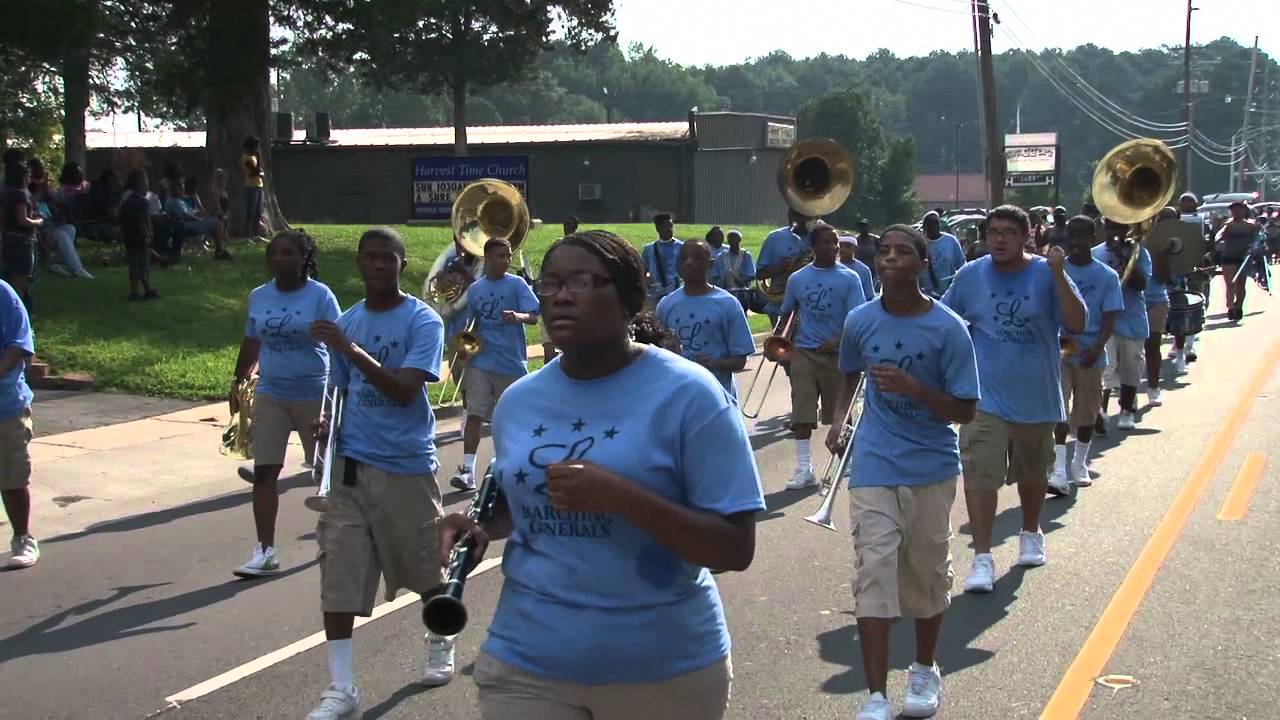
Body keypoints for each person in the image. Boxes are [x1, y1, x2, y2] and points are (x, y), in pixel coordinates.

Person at [440, 228, 765, 719]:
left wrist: (622, 497)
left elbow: (734, 548)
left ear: (630, 299)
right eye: (551, 284)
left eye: (583, 282)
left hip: (661, 670)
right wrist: (478, 524)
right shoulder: (519, 402)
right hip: (526, 661)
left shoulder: (690, 394)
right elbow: (522, 501)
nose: (562, 296)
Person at [827, 225, 979, 720]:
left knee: (926, 573)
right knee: (874, 569)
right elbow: (850, 371)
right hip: (874, 462)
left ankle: (924, 667)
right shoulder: (860, 319)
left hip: (931, 465)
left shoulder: (948, 327)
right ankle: (874, 696)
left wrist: (915, 388)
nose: (889, 257)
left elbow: (964, 410)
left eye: (902, 252)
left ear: (922, 264)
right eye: (885, 251)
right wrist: (837, 421)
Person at [304, 227, 454, 720]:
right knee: (339, 575)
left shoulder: (422, 321)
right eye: (369, 258)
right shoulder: (348, 321)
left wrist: (348, 350)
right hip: (350, 468)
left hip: (404, 463)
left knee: (426, 568)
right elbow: (340, 393)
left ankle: (439, 638)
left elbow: (405, 391)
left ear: (401, 265)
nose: (377, 266)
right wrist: (327, 423)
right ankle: (341, 688)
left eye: (387, 258)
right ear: (359, 263)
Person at [941, 205, 1085, 592]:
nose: (999, 239)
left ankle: (1031, 531)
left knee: (1033, 473)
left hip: (1036, 395)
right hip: (984, 398)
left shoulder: (1045, 272)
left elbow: (1077, 322)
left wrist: (1058, 274)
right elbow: (944, 321)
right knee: (979, 474)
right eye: (993, 232)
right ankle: (982, 558)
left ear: (1026, 237)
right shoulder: (971, 275)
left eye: (1007, 232)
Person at [231, 230, 341, 578]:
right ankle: (265, 551)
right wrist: (237, 382)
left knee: (326, 473)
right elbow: (252, 341)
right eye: (274, 253)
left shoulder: (320, 296)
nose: (280, 259)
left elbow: (339, 344)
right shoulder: (259, 296)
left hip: (313, 392)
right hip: (271, 393)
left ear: (303, 258)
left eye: (288, 253)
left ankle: (339, 538)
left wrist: (338, 396)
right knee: (264, 471)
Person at [448, 238, 540, 492]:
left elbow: (534, 316)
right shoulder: (476, 289)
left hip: (510, 362)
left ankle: (514, 469)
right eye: (500, 256)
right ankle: (468, 471)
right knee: (475, 414)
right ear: (487, 258)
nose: (506, 261)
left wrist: (517, 316)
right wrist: (464, 348)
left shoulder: (517, 284)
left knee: (512, 419)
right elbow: (470, 325)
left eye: (508, 256)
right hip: (481, 362)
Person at [778, 225, 866, 489]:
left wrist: (837, 340)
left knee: (838, 412)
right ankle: (804, 468)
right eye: (827, 243)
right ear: (813, 247)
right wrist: (780, 344)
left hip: (838, 355)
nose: (834, 248)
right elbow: (787, 313)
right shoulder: (797, 279)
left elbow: (858, 319)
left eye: (836, 243)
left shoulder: (850, 278)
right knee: (801, 410)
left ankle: (846, 461)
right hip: (804, 352)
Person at [1050, 216, 1123, 495]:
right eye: (1072, 236)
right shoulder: (1057, 271)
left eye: (1083, 236)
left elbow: (1110, 316)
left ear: (1094, 238)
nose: (1077, 243)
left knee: (1086, 411)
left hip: (1092, 350)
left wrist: (1096, 347)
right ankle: (1058, 469)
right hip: (1062, 346)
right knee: (1059, 408)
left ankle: (1079, 463)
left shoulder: (1106, 276)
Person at [656, 240, 756, 399]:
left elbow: (739, 360)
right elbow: (657, 357)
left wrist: (715, 364)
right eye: (683, 258)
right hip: (678, 397)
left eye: (697, 258)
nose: (689, 263)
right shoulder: (666, 305)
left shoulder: (727, 303)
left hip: (718, 397)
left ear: (710, 264)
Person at [1092, 221, 1150, 432]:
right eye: (1111, 227)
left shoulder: (1140, 253)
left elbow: (1141, 284)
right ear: (1104, 228)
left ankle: (1127, 410)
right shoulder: (1095, 253)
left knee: (1130, 367)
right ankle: (1099, 413)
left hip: (1131, 318)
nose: (1115, 233)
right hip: (1103, 320)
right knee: (1104, 369)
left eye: (1120, 228)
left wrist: (1124, 257)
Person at [0, 278, 36, 569]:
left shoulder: (3, 293)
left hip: (5, 405)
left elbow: (20, 346)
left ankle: (23, 538)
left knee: (12, 476)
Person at [757, 208, 814, 326]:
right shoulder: (775, 237)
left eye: (804, 214)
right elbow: (759, 274)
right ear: (789, 216)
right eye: (795, 215)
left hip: (812, 305)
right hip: (780, 304)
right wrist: (780, 269)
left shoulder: (818, 237)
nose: (800, 219)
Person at [1143, 208, 1175, 407]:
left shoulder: (1159, 242)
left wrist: (1161, 255)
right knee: (1127, 352)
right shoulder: (1122, 241)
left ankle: (1153, 388)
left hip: (1156, 299)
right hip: (1129, 302)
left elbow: (1164, 277)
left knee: (1153, 345)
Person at [2, 161, 41, 315]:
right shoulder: (20, 194)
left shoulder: (6, 193)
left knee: (10, 279)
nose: (30, 179)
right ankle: (17, 316)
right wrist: (38, 221)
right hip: (22, 242)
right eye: (28, 176)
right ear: (23, 176)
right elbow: (22, 220)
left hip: (8, 239)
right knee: (21, 282)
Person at [165, 175, 233, 261]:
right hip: (188, 225)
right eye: (181, 188)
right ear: (175, 189)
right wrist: (199, 219)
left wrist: (202, 214)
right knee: (216, 223)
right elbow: (185, 216)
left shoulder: (178, 200)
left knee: (216, 218)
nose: (183, 190)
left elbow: (190, 212)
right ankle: (219, 251)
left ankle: (220, 250)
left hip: (191, 222)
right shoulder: (173, 202)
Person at [119, 170, 157, 301]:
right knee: (143, 265)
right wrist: (147, 235)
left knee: (133, 265)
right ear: (139, 184)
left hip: (129, 238)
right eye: (145, 181)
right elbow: (142, 221)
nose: (147, 184)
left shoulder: (126, 201)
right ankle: (146, 289)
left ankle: (134, 291)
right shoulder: (142, 202)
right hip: (140, 238)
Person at [1215, 201, 1256, 322]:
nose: (1237, 212)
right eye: (1234, 210)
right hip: (1229, 257)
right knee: (1230, 284)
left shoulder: (1251, 226)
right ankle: (1231, 307)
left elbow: (1257, 241)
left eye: (1239, 209)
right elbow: (1218, 237)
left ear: (1244, 211)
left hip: (1243, 259)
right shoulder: (1227, 225)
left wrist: (1254, 249)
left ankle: (1238, 307)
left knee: (1240, 285)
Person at [640, 213, 682, 309]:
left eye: (671, 226)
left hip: (676, 291)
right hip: (655, 293)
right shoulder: (649, 249)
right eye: (666, 226)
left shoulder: (681, 247)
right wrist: (646, 279)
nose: (669, 229)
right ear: (658, 229)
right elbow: (643, 269)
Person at [920, 211, 966, 299]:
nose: (933, 226)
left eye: (935, 222)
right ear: (924, 226)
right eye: (929, 223)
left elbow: (961, 264)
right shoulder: (920, 244)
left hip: (949, 294)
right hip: (927, 296)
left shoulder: (950, 241)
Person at [839, 234, 876, 301]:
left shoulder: (864, 270)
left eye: (847, 246)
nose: (842, 249)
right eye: (840, 246)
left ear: (855, 248)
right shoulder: (830, 267)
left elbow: (869, 296)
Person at [242, 136, 266, 239]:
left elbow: (259, 171)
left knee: (258, 212)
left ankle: (256, 235)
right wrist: (259, 157)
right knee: (250, 212)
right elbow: (254, 172)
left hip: (259, 185)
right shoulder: (246, 158)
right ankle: (248, 235)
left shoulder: (254, 157)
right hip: (251, 186)